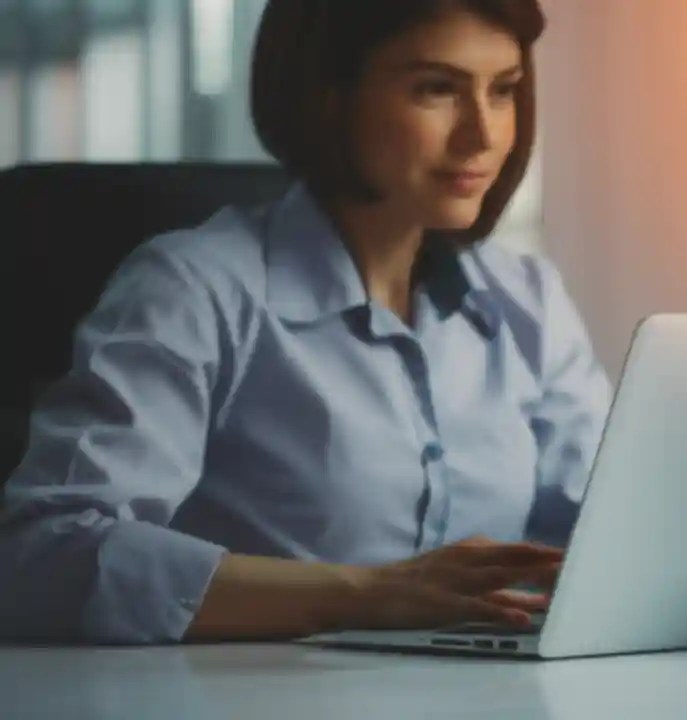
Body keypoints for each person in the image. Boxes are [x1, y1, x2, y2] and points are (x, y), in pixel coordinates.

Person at [0, 0, 610, 644]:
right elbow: (44, 555)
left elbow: (607, 522)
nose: (484, 136)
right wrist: (366, 595)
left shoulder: (526, 298)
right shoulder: (193, 290)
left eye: (504, 91)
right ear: (329, 96)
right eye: (437, 90)